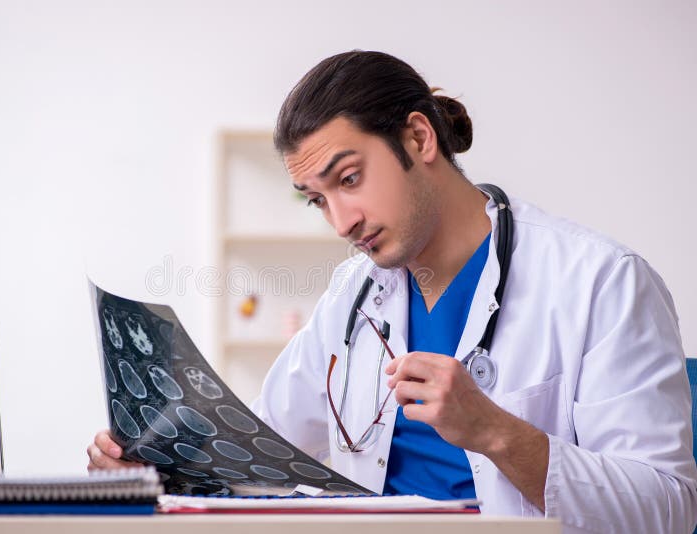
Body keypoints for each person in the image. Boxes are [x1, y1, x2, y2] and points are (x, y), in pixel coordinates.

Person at [87, 50, 697, 532]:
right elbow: (264, 457)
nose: (341, 222)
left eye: (350, 179)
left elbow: (668, 510)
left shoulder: (602, 281)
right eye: (319, 200)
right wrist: (160, 471)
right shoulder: (354, 293)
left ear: (418, 139)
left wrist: (496, 433)